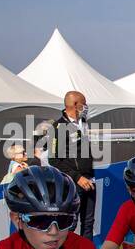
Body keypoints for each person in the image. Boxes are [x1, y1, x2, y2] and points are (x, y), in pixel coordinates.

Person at [35, 91, 97, 236]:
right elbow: (54, 160)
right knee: (71, 222)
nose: (86, 107)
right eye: (84, 103)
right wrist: (77, 177)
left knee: (88, 222)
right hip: (73, 183)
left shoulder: (84, 122)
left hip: (89, 179)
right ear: (76, 104)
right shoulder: (58, 128)